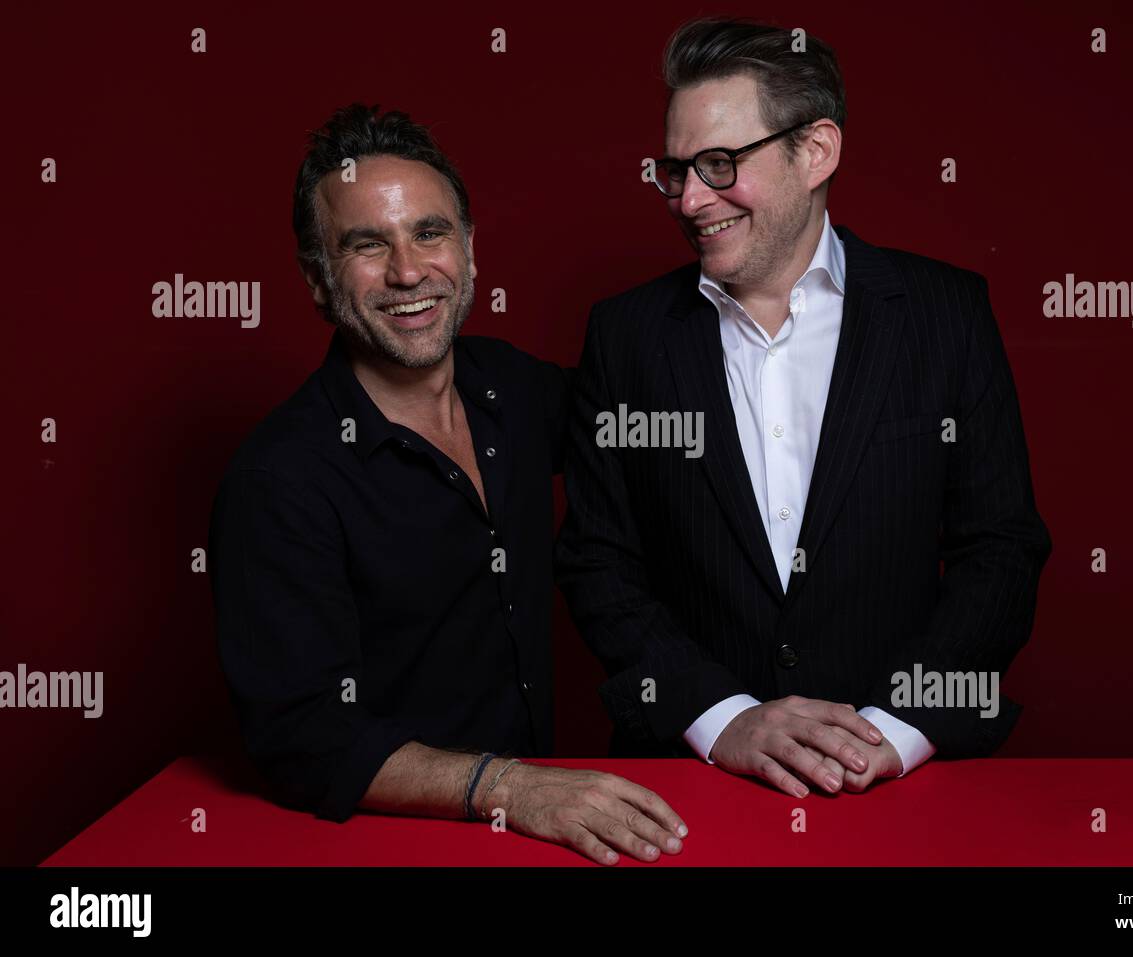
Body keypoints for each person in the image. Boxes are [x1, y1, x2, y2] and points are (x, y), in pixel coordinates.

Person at [557, 19, 1052, 798]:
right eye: (675, 169)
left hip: (900, 792)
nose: (690, 200)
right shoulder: (626, 338)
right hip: (691, 792)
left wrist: (889, 735)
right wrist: (724, 718)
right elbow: (597, 561)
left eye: (720, 164)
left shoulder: (945, 315)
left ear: (815, 151)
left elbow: (1001, 550)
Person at [209, 104, 685, 866]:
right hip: (391, 844)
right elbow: (302, 737)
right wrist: (513, 789)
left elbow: (651, 427)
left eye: (429, 233)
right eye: (368, 244)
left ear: (467, 249)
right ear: (319, 280)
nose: (407, 271)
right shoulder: (279, 480)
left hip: (549, 832)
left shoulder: (514, 387)